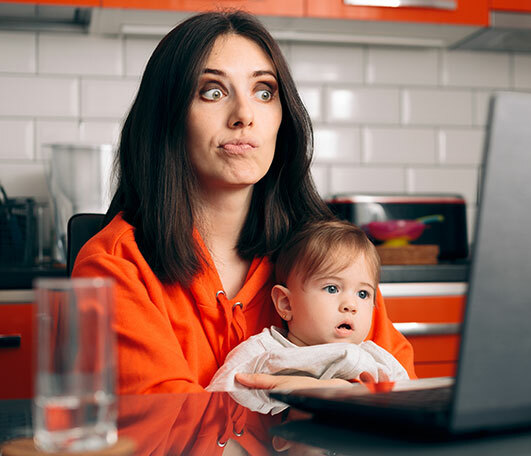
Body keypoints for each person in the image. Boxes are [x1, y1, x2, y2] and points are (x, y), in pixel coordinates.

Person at [72, 10, 416, 394]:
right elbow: (165, 433)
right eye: (212, 92)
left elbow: (407, 398)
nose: (244, 115)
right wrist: (314, 410)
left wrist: (357, 402)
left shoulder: (329, 258)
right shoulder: (113, 268)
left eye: (264, 91)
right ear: (166, 117)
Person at [206, 220, 410, 413]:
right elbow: (214, 402)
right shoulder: (264, 352)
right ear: (286, 303)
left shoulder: (377, 358)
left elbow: (409, 406)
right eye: (332, 288)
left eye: (363, 294)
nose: (351, 305)